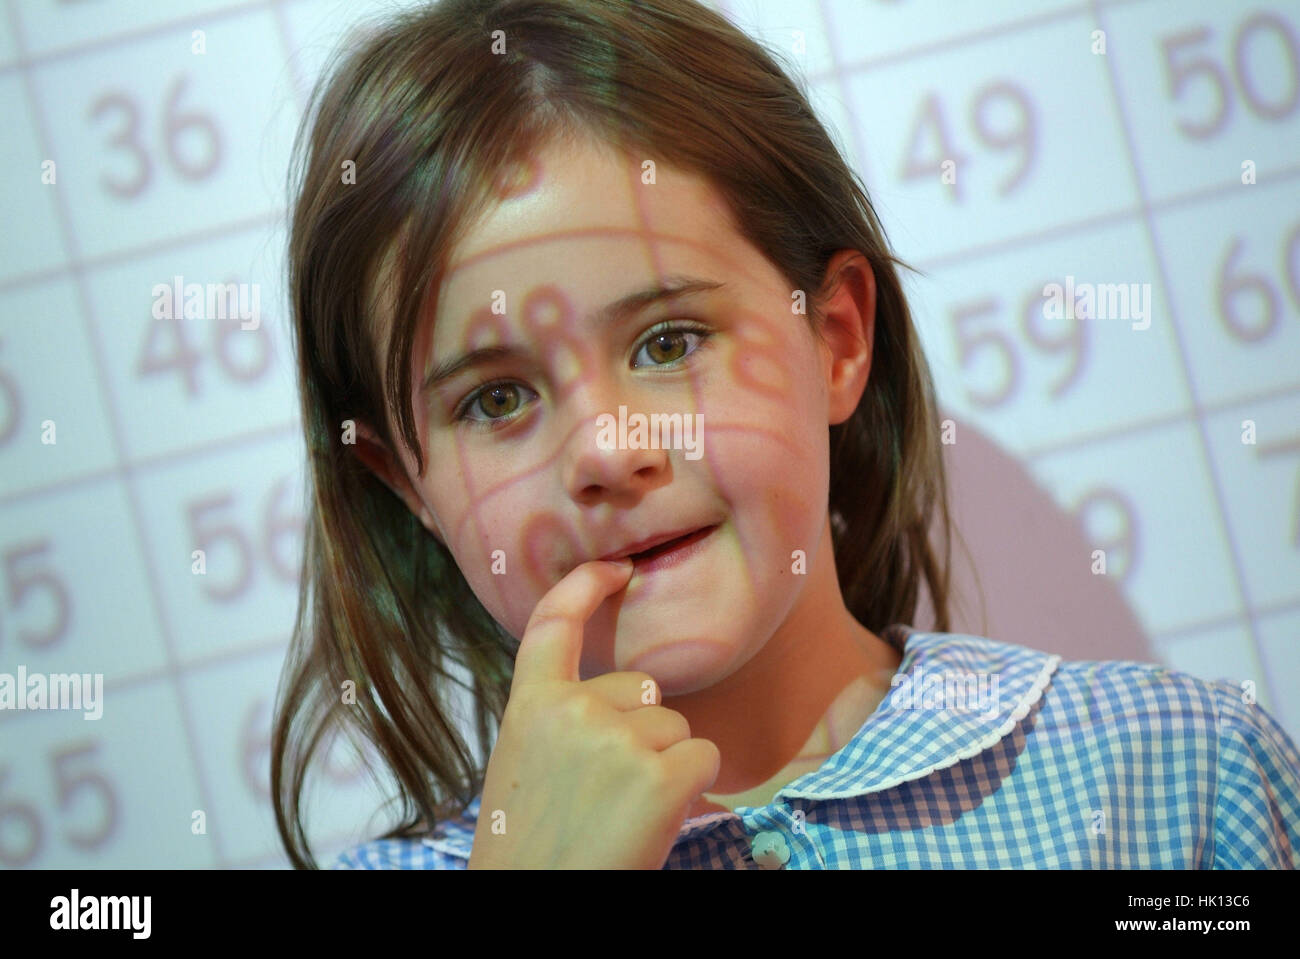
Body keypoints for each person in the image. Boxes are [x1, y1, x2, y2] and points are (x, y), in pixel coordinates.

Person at [271, 0, 1300, 869]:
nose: (606, 451)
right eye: (496, 400)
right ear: (405, 480)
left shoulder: (1179, 776)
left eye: (669, 342)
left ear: (837, 338)